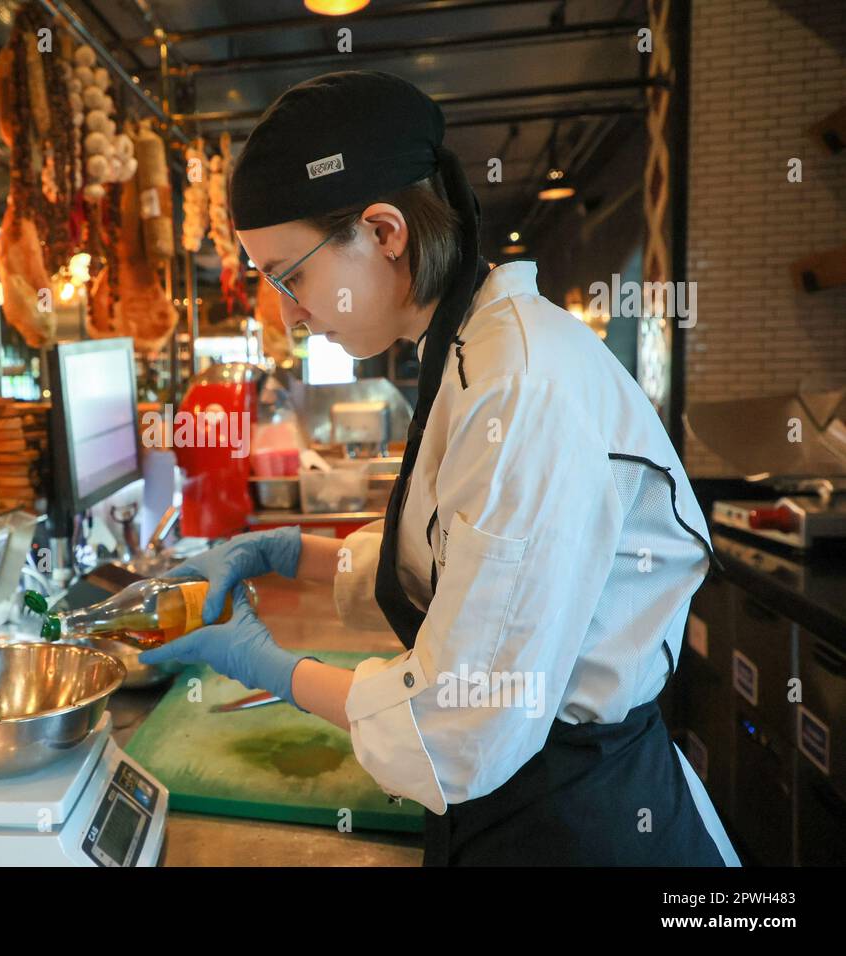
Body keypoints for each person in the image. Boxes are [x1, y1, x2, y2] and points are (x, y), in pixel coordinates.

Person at [139, 71, 739, 867]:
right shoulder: (466, 350)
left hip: (579, 822)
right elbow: (457, 568)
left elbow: (462, 720)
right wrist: (285, 554)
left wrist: (270, 667)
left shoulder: (522, 383)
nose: (287, 311)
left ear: (385, 231)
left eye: (290, 274)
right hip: (523, 802)